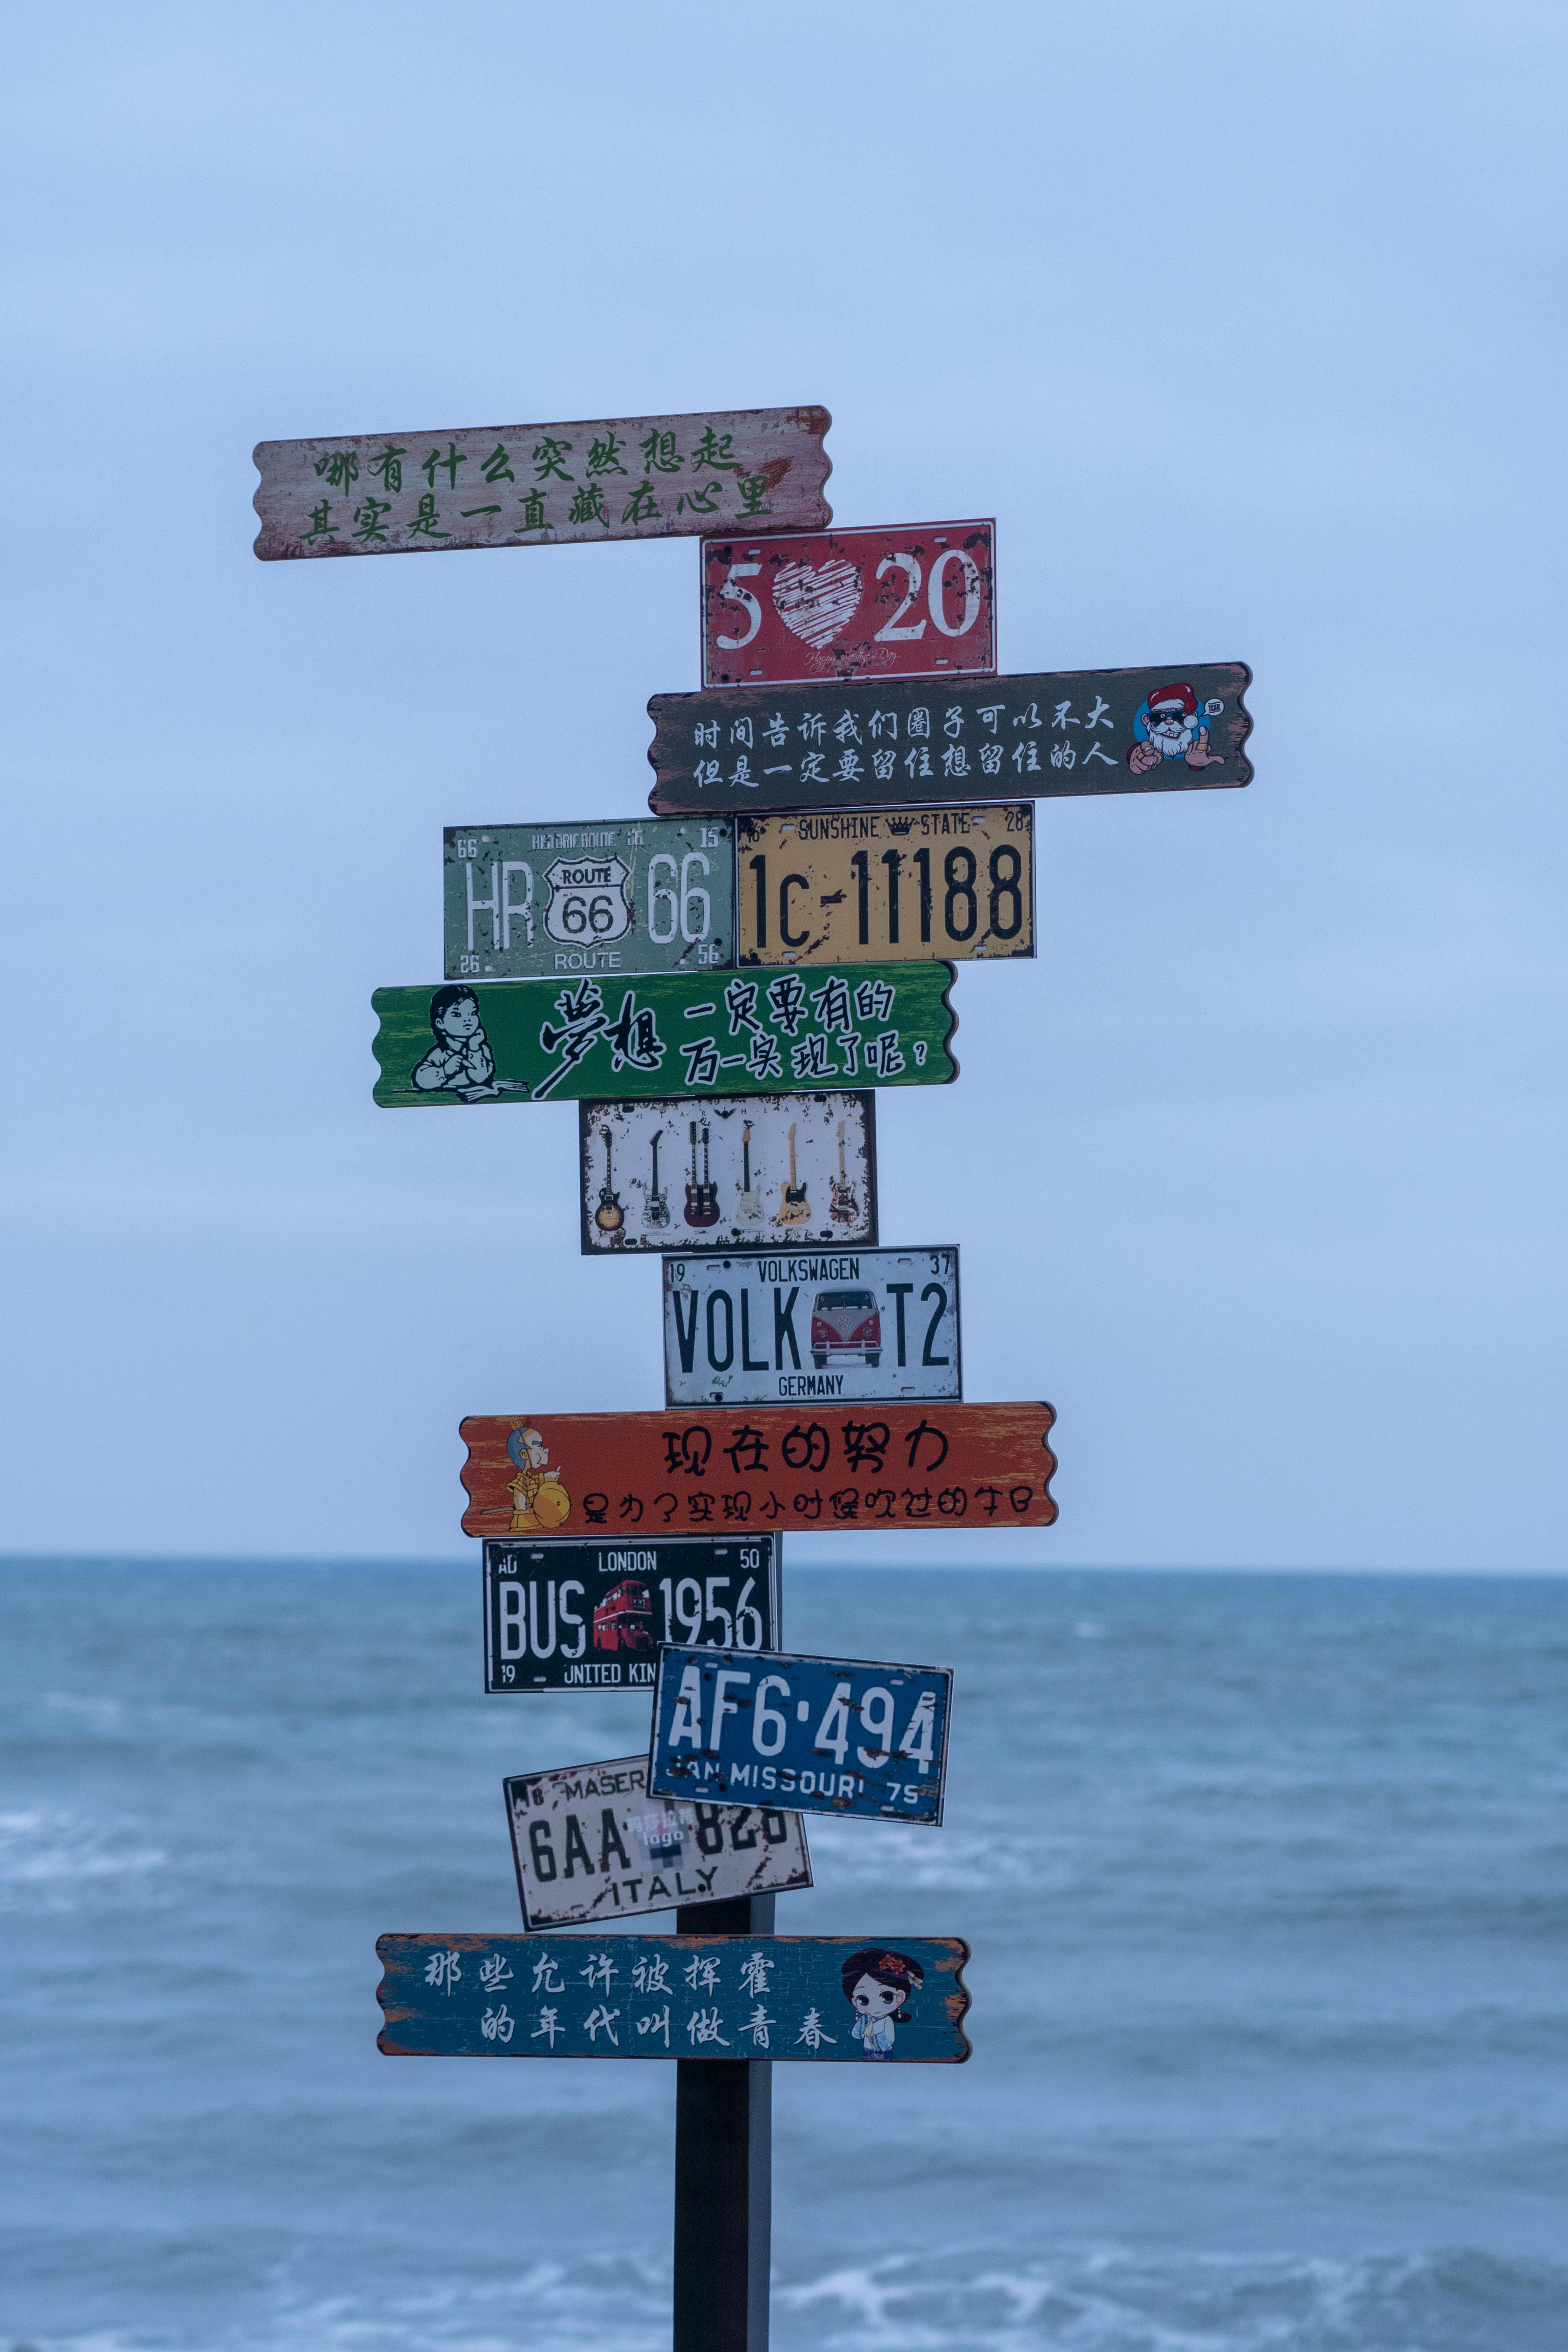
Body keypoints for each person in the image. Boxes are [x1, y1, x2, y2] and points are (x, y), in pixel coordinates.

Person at [411, 984, 497, 1098]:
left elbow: (480, 1078)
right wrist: (445, 1070)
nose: (468, 1020)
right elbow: (421, 1080)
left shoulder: (481, 1049)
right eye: (457, 1015)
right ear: (440, 1023)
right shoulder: (441, 1052)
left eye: (473, 1013)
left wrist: (474, 1049)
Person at [840, 1947, 923, 2059]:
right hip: (867, 2052)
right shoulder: (865, 2019)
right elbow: (856, 2034)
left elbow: (889, 2039)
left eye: (886, 1997)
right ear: (855, 2002)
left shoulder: (887, 2021)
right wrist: (863, 2027)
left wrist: (873, 2038)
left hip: (884, 2054)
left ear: (900, 1997)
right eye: (863, 2000)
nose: (875, 2007)